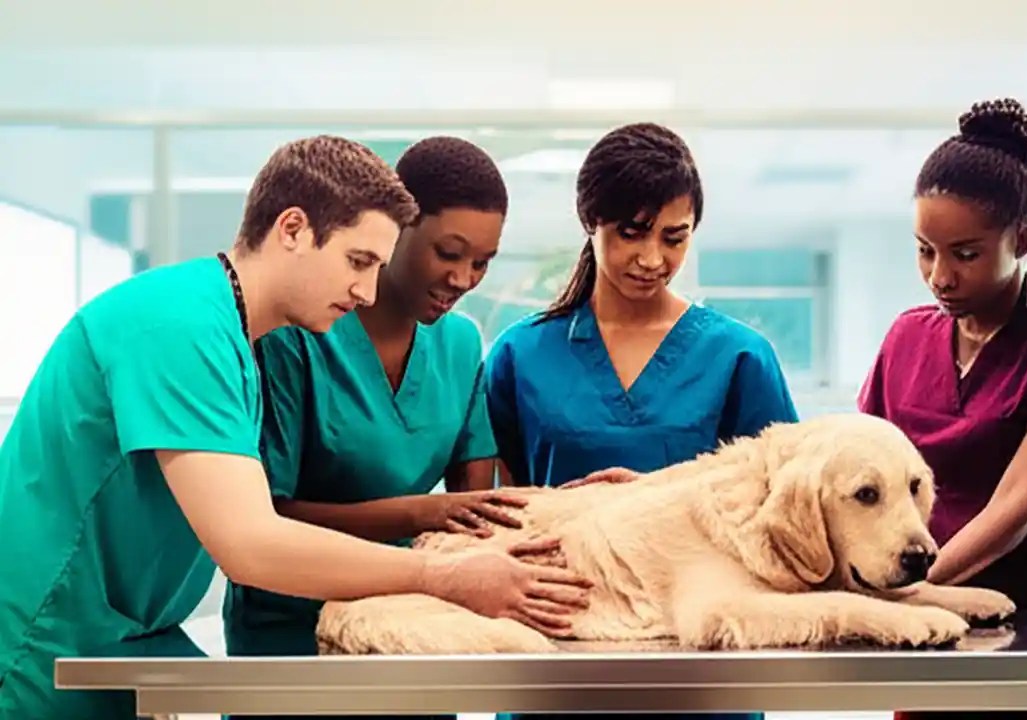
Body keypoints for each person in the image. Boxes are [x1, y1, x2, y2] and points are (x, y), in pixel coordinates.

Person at [0, 135, 591, 720]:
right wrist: (442, 574)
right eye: (358, 262)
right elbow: (251, 544)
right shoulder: (177, 326)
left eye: (377, 268)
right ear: (292, 229)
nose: (365, 291)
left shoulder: (233, 336)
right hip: (44, 645)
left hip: (130, 639)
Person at [219, 136, 556, 720]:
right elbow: (266, 518)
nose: (463, 277)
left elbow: (478, 512)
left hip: (414, 629)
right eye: (448, 253)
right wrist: (417, 513)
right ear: (399, 226)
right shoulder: (296, 335)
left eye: (482, 262)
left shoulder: (458, 345)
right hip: (293, 630)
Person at [483, 122, 798, 720]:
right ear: (590, 222)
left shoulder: (739, 356)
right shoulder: (520, 355)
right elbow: (503, 504)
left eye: (674, 238)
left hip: (699, 653)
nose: (653, 258)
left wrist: (656, 493)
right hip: (560, 641)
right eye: (631, 234)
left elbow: (776, 506)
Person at [856, 99, 1027, 720]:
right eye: (925, 251)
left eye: (964, 254)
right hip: (929, 626)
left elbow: (1018, 504)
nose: (939, 276)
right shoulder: (906, 337)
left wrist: (908, 591)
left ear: (1021, 240)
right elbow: (856, 472)